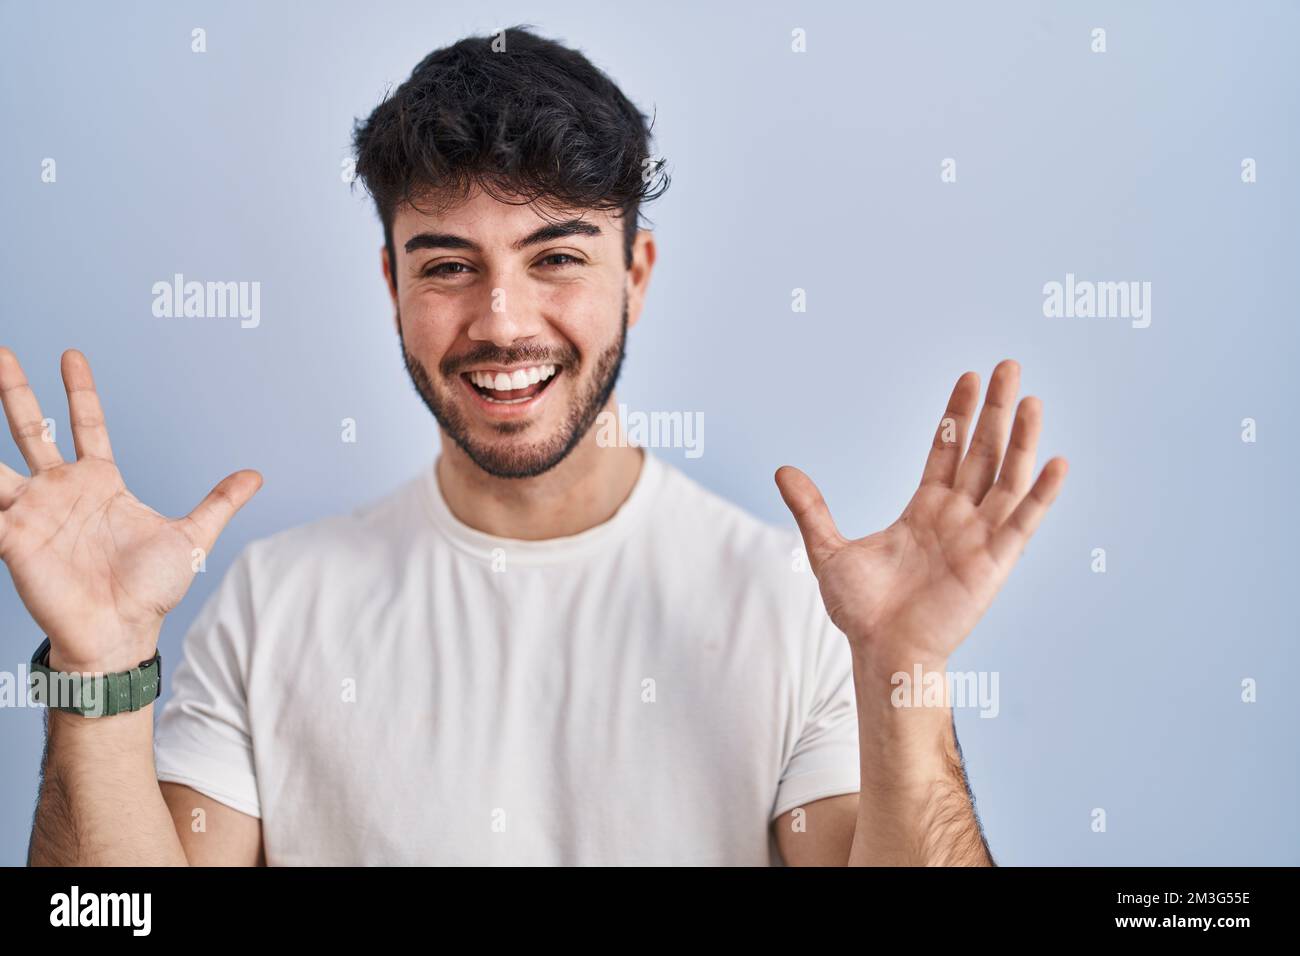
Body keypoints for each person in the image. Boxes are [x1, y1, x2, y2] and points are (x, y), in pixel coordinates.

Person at [6, 27, 1065, 866]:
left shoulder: (794, 609)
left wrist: (902, 673)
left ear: (635, 274)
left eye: (555, 255)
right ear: (391, 287)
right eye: (447, 265)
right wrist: (98, 670)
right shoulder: (272, 604)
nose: (502, 321)